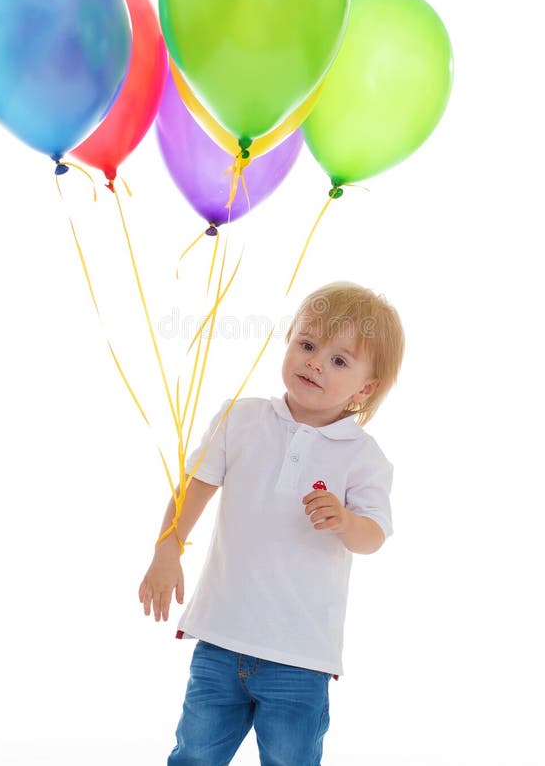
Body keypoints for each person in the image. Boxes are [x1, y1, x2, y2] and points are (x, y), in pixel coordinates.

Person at [139, 281, 404, 765]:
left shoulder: (363, 457)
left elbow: (373, 537)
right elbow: (194, 487)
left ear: (365, 388)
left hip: (300, 657)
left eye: (339, 360)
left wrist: (345, 520)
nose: (315, 362)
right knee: (194, 755)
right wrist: (166, 549)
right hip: (221, 639)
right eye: (307, 344)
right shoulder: (241, 419)